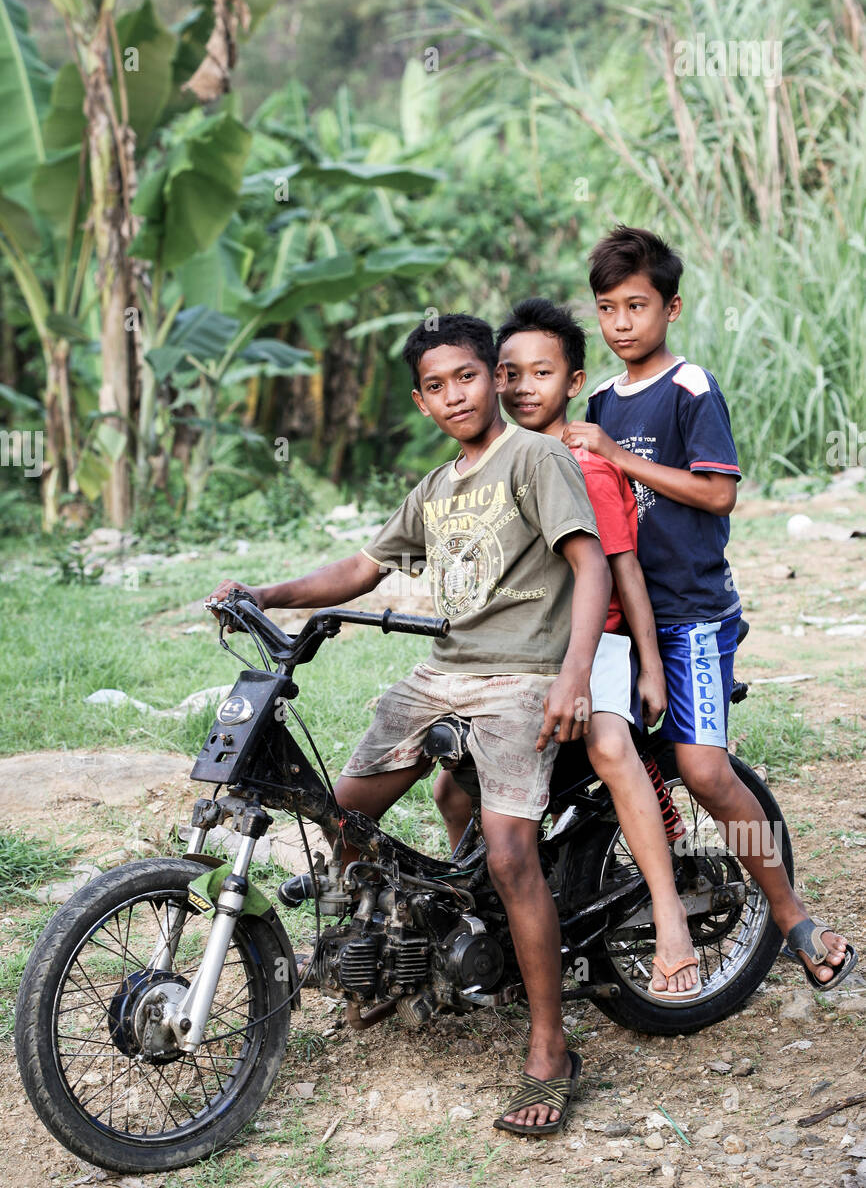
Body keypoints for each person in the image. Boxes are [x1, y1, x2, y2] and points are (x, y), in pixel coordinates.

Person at [209, 312, 612, 1135]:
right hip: (442, 674)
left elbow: (590, 563)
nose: (454, 395)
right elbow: (363, 567)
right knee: (343, 811)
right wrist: (268, 593)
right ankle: (390, 953)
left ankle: (549, 1045)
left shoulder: (536, 459)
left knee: (508, 854)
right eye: (435, 386)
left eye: (467, 376)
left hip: (520, 679)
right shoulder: (436, 488)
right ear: (422, 401)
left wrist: (573, 676)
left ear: (493, 379)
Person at [562, 224, 857, 990]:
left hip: (688, 610)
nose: (622, 323)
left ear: (672, 307)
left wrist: (620, 458)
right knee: (601, 753)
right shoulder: (596, 399)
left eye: (637, 305)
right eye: (607, 309)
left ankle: (791, 915)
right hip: (623, 617)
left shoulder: (689, 389)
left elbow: (720, 491)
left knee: (703, 767)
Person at [435, 297, 702, 999]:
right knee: (450, 783)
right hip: (530, 654)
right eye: (510, 373)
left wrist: (647, 664)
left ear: (574, 383)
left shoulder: (587, 466)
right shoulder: (492, 466)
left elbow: (622, 569)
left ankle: (671, 916)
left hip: (601, 641)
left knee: (612, 746)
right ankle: (489, 908)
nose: (524, 387)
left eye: (541, 373)